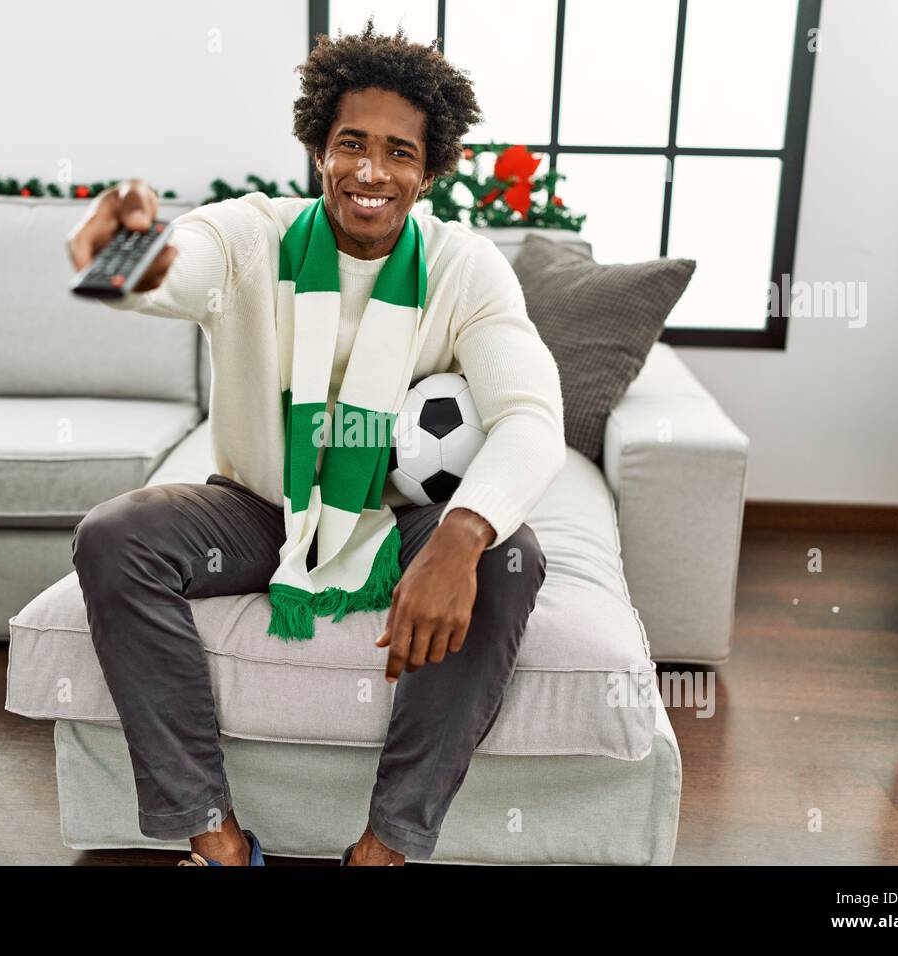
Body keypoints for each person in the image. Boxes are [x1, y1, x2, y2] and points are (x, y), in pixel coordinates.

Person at [66, 18, 565, 866]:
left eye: (400, 153)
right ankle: (215, 838)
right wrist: (123, 253)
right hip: (260, 510)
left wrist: (461, 537)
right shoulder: (250, 236)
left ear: (430, 167)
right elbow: (166, 271)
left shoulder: (464, 268)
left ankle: (387, 848)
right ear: (317, 152)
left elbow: (531, 415)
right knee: (114, 537)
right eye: (351, 145)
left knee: (511, 558)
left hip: (394, 521)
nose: (372, 172)